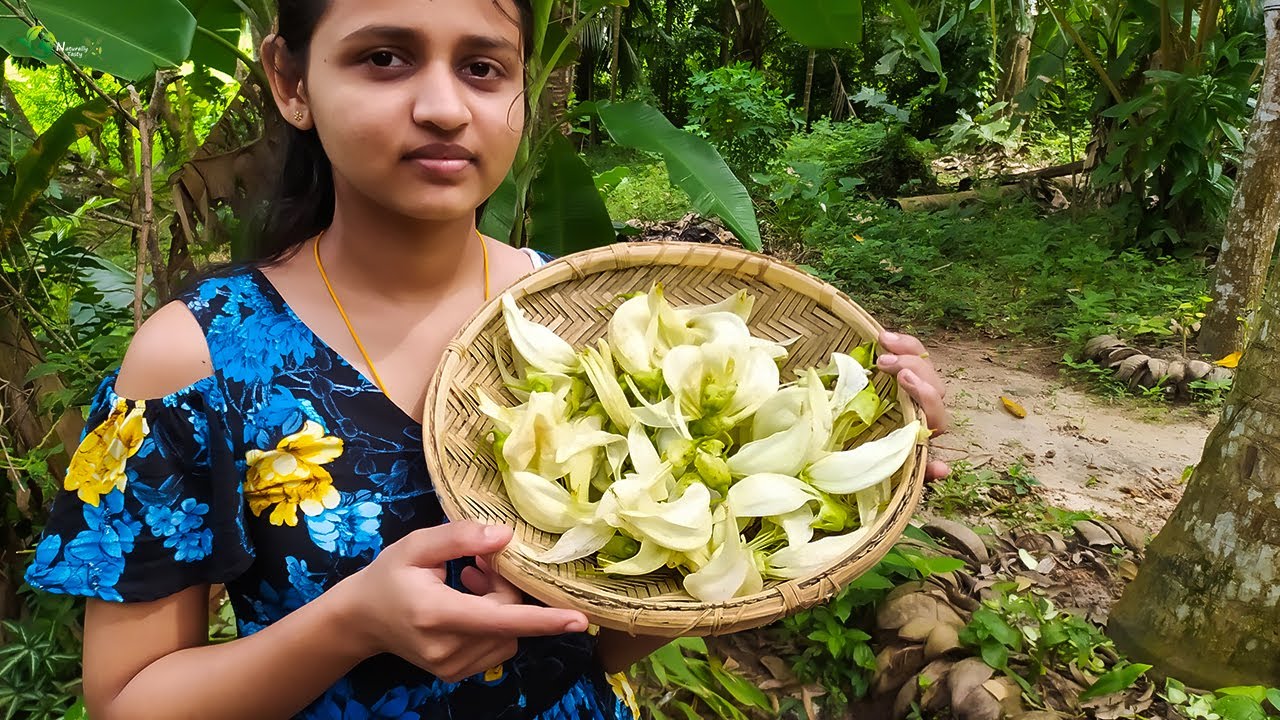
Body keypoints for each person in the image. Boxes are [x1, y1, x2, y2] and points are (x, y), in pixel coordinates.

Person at [23, 0, 952, 717]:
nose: (441, 106)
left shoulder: (597, 325)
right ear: (290, 80)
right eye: (383, 58)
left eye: (481, 67)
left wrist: (844, 483)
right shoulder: (198, 356)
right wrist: (350, 626)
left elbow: (599, 641)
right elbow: (127, 699)